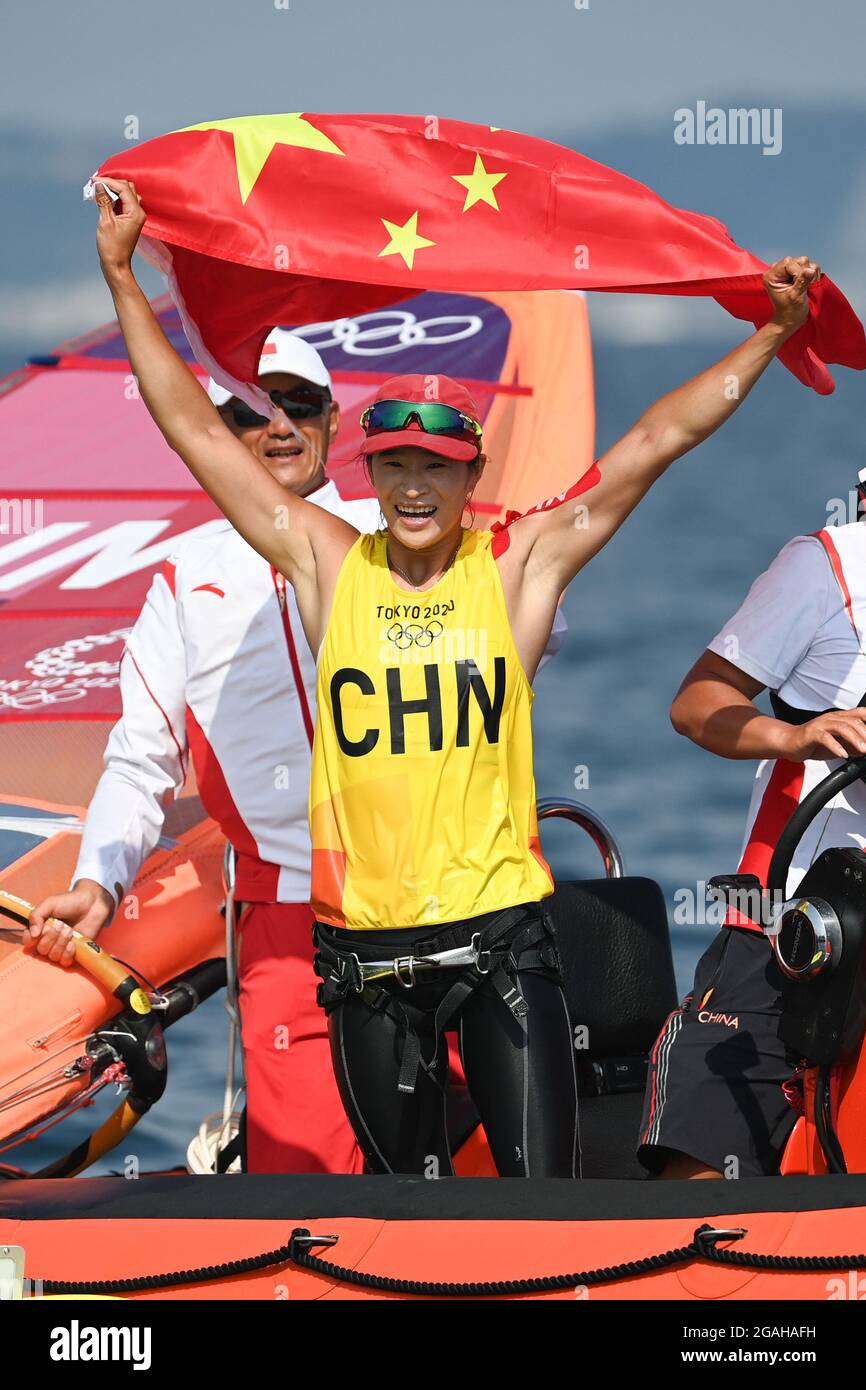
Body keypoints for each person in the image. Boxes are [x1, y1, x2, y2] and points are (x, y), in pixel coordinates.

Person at [85, 173, 820, 1178]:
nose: (414, 485)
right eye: (395, 465)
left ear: (471, 477)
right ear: (372, 474)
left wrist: (768, 334)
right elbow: (196, 429)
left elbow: (655, 442)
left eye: (436, 465)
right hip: (364, 959)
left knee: (536, 1210)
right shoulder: (325, 562)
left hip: (498, 948)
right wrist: (123, 275)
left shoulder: (516, 567)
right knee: (402, 1217)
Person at [27, 330, 379, 1174]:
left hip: (442, 893)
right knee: (307, 1178)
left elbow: (525, 646)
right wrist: (97, 881)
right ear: (216, 432)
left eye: (298, 404)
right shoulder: (185, 578)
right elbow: (140, 759)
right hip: (291, 915)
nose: (279, 426)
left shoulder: (395, 530)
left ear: (332, 419)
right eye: (248, 413)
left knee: (464, 1152)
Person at [639, 503, 866, 1180]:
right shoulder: (825, 565)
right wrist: (794, 736)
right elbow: (697, 702)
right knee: (703, 1139)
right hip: (791, 920)